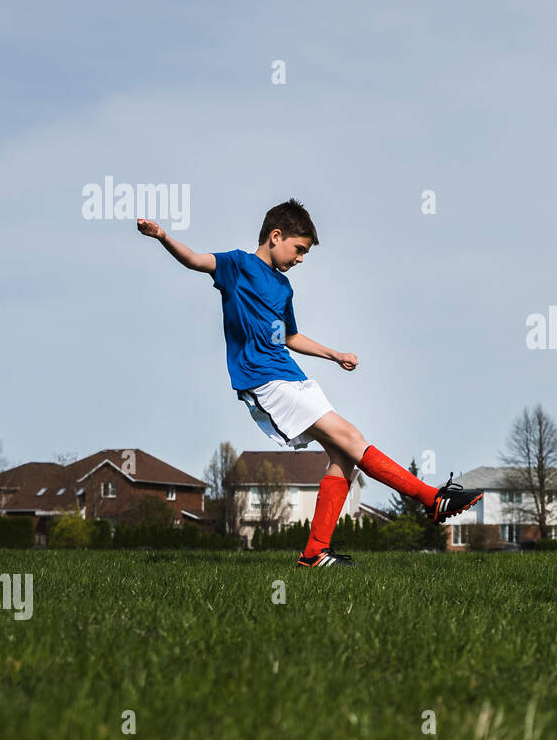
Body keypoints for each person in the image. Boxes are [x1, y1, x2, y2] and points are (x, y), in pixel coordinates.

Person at [137, 198, 482, 566]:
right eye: (298, 249)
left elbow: (289, 337)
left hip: (293, 377)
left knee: (343, 457)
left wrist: (334, 354)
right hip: (266, 379)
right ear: (275, 236)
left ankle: (315, 551)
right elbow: (194, 259)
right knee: (352, 438)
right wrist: (162, 236)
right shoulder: (236, 265)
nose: (300, 259)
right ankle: (432, 499)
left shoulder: (284, 288)